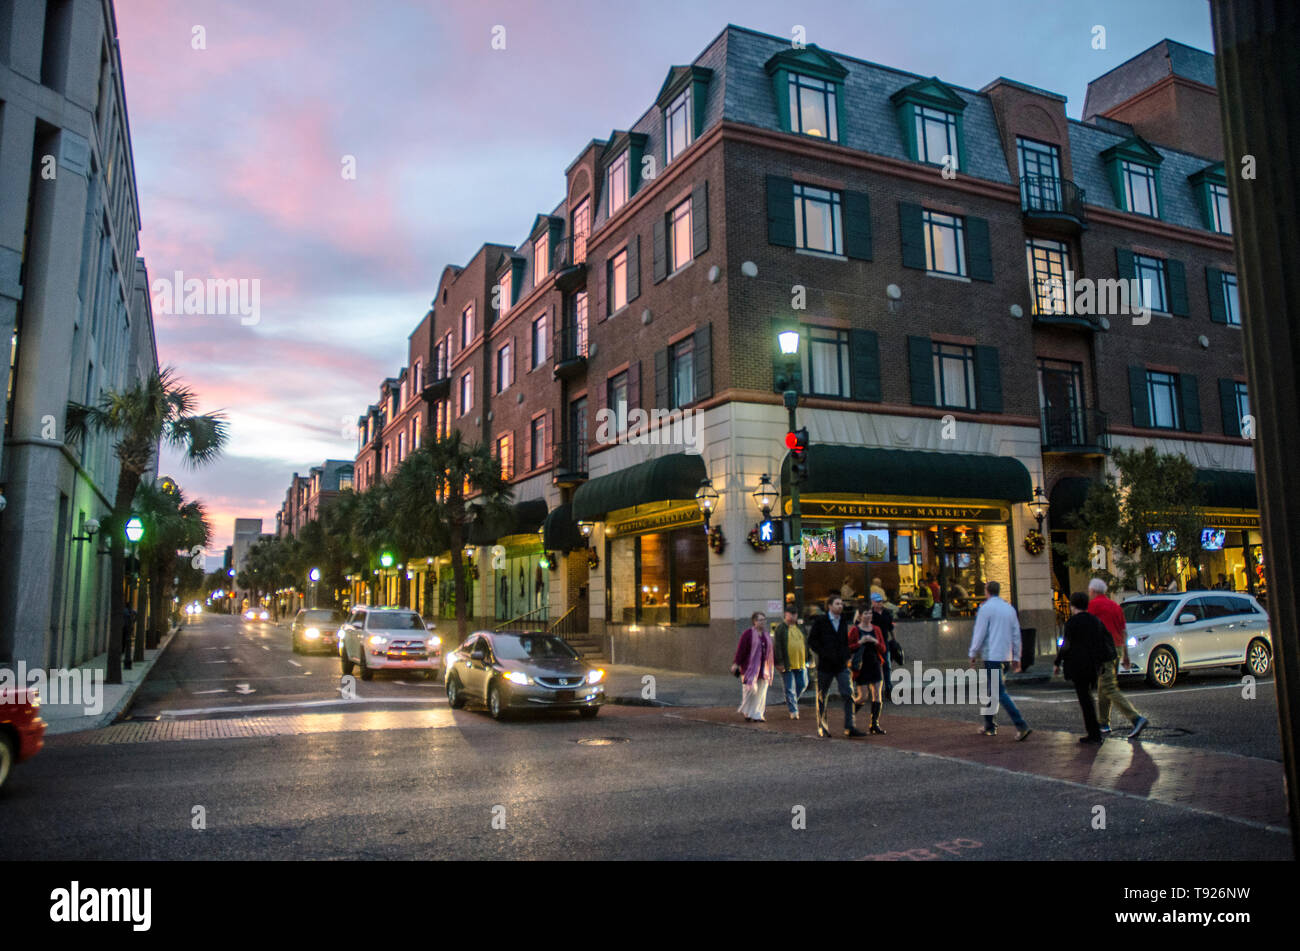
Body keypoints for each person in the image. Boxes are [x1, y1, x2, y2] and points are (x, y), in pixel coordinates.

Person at [968, 580, 1032, 740]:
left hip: (992, 655)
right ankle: (989, 725)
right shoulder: (1009, 609)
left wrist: (973, 653)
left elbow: (980, 633)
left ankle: (1021, 725)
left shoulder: (985, 609)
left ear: (987, 591)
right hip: (1006, 655)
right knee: (993, 690)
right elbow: (1016, 634)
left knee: (998, 691)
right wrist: (1017, 656)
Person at [1087, 578, 1149, 739]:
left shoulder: (1093, 606)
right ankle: (1103, 722)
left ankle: (1135, 718)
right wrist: (1126, 655)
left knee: (1109, 686)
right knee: (1104, 686)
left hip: (1103, 650)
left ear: (1093, 591)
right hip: (1118, 648)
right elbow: (1123, 630)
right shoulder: (1115, 606)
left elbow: (1089, 628)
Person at [1054, 591, 1115, 743]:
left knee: (1085, 699)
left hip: (1077, 665)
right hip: (1092, 664)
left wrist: (1057, 662)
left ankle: (1093, 733)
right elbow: (1103, 641)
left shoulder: (1071, 623)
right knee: (1088, 696)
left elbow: (1066, 645)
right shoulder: (1095, 621)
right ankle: (1094, 731)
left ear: (1073, 605)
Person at [807, 595, 865, 738]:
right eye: (837, 604)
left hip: (841, 664)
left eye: (841, 604)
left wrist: (846, 656)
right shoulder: (821, 621)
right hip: (825, 665)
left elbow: (844, 641)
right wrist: (823, 653)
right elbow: (812, 641)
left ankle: (850, 726)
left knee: (848, 694)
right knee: (822, 696)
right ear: (830, 606)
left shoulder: (843, 620)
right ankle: (822, 727)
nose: (841, 606)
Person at [849, 609, 887, 734]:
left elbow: (883, 648)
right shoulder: (855, 630)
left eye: (870, 613)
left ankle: (874, 724)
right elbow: (848, 647)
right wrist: (861, 641)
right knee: (862, 697)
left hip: (875, 663)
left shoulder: (876, 629)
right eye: (865, 613)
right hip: (861, 666)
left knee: (877, 694)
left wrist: (875, 641)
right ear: (859, 616)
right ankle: (849, 717)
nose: (869, 616)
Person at [731, 612, 774, 722]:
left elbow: (770, 652)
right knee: (750, 691)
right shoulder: (748, 634)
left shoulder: (766, 635)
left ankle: (758, 714)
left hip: (763, 669)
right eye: (760, 620)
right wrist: (736, 663)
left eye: (764, 619)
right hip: (749, 669)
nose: (763, 622)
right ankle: (747, 712)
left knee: (761, 692)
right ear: (754, 621)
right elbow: (741, 650)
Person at [772, 607, 810, 720]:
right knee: (789, 687)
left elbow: (806, 643)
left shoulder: (801, 627)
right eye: (790, 614)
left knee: (803, 684)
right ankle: (793, 710)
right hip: (787, 664)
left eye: (795, 614)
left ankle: (791, 700)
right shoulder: (780, 628)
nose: (793, 616)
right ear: (785, 615)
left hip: (801, 662)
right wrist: (778, 662)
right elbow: (777, 646)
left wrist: (809, 658)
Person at [869, 592, 895, 701]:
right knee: (874, 666)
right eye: (877, 601)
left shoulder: (886, 613)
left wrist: (893, 639)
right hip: (872, 643)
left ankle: (888, 688)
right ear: (873, 602)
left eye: (881, 601)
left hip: (884, 642)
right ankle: (874, 689)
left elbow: (890, 627)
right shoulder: (869, 614)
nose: (880, 603)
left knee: (887, 665)